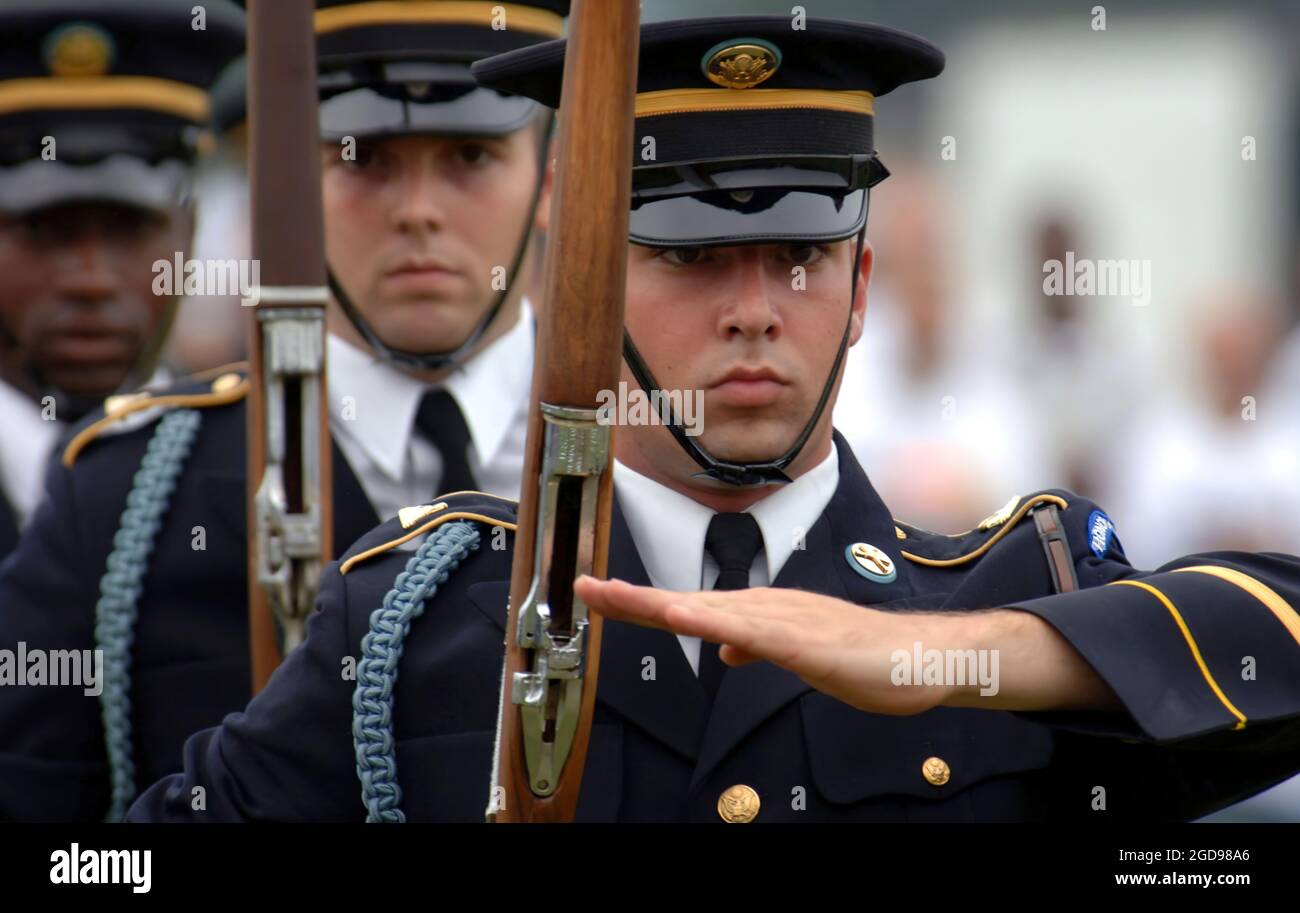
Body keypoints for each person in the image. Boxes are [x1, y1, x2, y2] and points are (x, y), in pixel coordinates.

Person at [128, 14, 1300, 824]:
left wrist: (959, 655)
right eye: (688, 259)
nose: (752, 312)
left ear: (861, 289)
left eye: (798, 257)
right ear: (566, 289)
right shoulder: (411, 626)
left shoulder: (1008, 587)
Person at [0, 0, 566, 822]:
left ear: (550, 181)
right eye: (362, 156)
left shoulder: (653, 466)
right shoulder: (120, 501)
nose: (418, 210)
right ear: (289, 184)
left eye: (470, 155)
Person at [0, 0, 242, 561]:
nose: (91, 281)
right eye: (45, 231)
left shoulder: (262, 476)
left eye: (130, 230)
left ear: (190, 231)